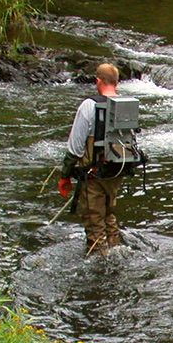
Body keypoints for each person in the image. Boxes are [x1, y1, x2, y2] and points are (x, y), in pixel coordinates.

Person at [58, 62, 126, 256]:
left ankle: (100, 267)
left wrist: (65, 175)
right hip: (116, 172)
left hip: (93, 174)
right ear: (117, 82)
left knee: (94, 221)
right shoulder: (126, 105)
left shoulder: (89, 105)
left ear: (98, 81)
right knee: (109, 216)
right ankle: (117, 253)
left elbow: (75, 146)